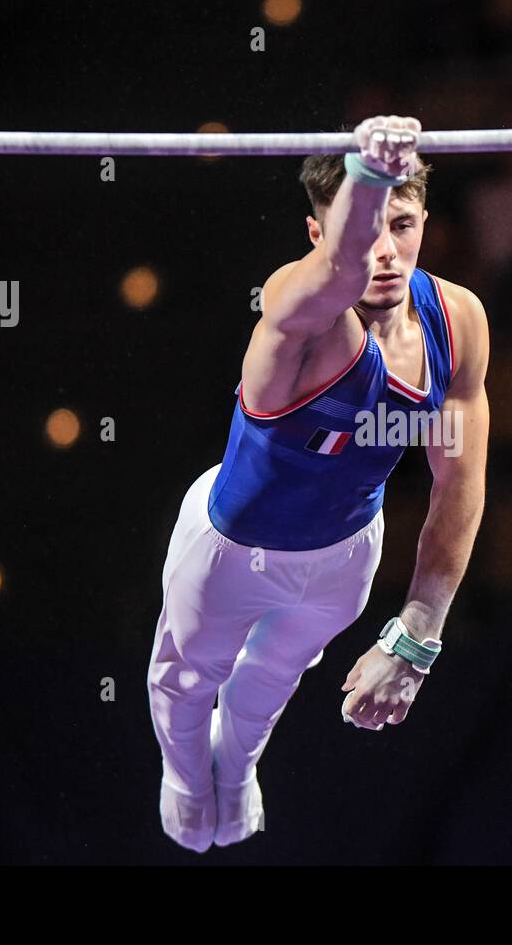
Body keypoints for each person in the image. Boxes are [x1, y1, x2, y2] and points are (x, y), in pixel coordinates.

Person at [146, 115, 490, 851]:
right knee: (184, 685)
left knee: (268, 686)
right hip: (232, 546)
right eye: (366, 231)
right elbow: (340, 272)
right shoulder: (302, 320)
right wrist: (366, 176)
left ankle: (236, 775)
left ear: (426, 218)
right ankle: (184, 779)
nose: (385, 252)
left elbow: (458, 485)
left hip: (344, 558)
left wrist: (418, 636)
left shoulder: (456, 322)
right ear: (318, 233)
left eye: (403, 225)